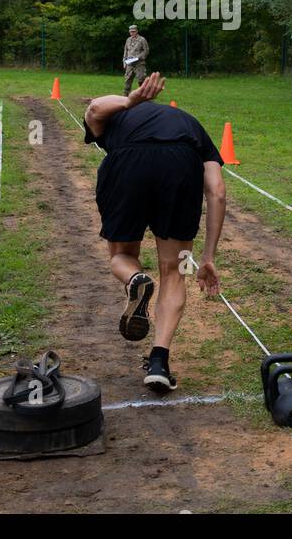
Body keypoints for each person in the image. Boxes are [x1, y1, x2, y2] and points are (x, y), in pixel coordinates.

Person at [82, 71, 224, 392]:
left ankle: (135, 280)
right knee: (174, 271)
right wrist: (208, 257)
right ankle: (159, 361)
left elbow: (93, 109)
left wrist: (129, 100)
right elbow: (216, 191)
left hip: (127, 163)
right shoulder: (191, 124)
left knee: (122, 256)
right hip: (182, 162)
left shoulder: (114, 119)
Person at [122, 24, 149, 96]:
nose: (132, 33)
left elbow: (146, 51)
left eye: (133, 31)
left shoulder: (142, 39)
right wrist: (124, 61)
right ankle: (125, 95)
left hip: (139, 63)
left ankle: (144, 95)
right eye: (131, 32)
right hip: (129, 63)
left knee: (141, 79)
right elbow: (125, 51)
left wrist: (138, 57)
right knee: (127, 79)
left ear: (137, 31)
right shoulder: (128, 40)